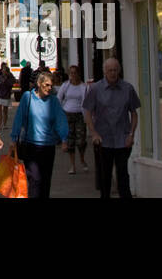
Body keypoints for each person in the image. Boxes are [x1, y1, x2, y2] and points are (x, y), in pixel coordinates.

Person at [83, 57, 140, 199]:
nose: (113, 73)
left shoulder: (128, 89)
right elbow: (88, 112)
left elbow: (134, 114)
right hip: (103, 139)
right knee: (105, 176)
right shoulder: (95, 89)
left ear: (119, 71)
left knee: (123, 176)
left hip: (123, 139)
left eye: (115, 70)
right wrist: (94, 133)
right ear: (104, 72)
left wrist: (131, 134)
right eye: (110, 71)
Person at [10, 69, 69, 198]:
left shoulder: (53, 101)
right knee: (35, 180)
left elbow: (61, 120)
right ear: (39, 83)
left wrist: (64, 138)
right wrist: (14, 139)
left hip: (48, 147)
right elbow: (19, 118)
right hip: (31, 146)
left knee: (45, 181)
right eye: (46, 85)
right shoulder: (28, 97)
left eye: (51, 85)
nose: (49, 88)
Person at [57, 64, 90, 174]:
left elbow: (86, 102)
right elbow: (59, 98)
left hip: (79, 114)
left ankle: (82, 159)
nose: (73, 75)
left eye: (75, 73)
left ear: (78, 74)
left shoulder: (83, 87)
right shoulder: (66, 86)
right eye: (71, 73)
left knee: (81, 140)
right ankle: (72, 165)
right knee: (70, 140)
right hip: (68, 114)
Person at [0, 64, 15, 128]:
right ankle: (0, 124)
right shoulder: (0, 77)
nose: (3, 72)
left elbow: (12, 83)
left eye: (4, 71)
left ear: (7, 72)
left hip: (6, 95)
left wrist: (6, 81)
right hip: (0, 94)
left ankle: (4, 124)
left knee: (5, 110)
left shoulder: (10, 77)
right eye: (3, 71)